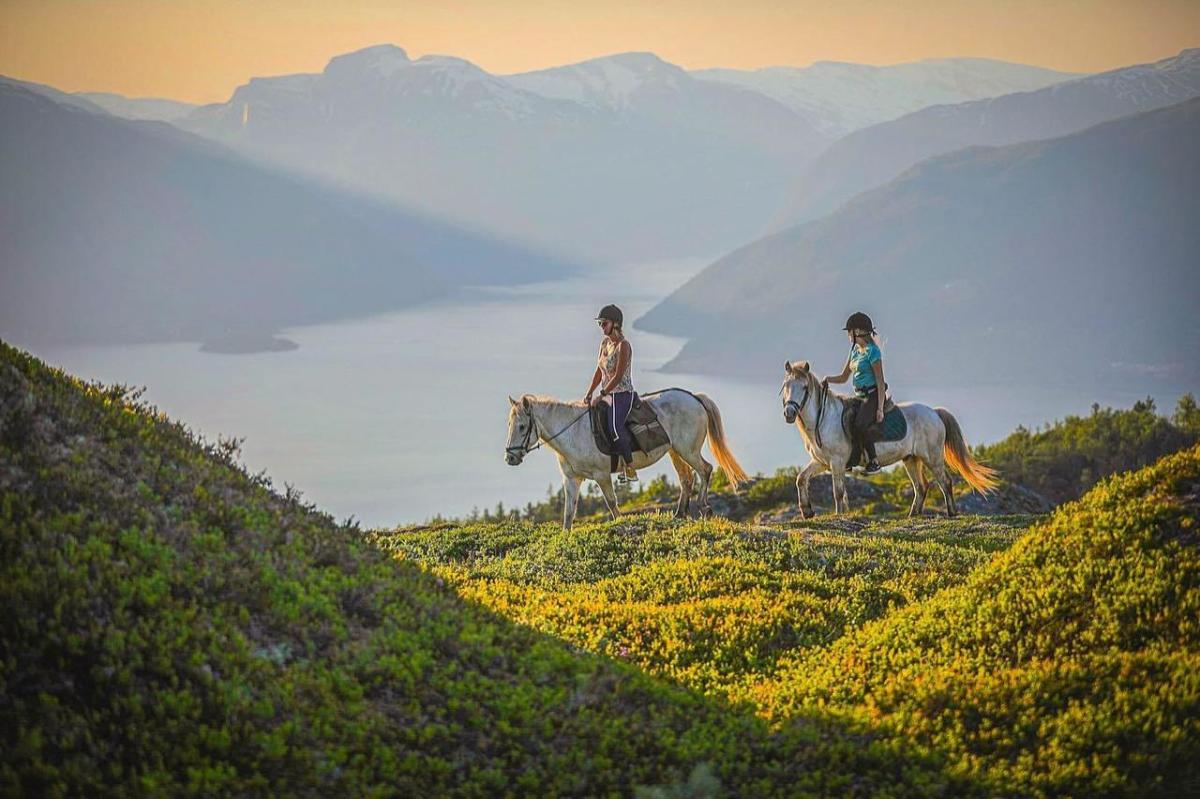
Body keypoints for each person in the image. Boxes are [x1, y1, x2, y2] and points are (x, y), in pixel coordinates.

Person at [822, 312, 885, 474]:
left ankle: (874, 460)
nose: (848, 335)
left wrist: (879, 408)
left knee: (859, 424)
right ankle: (850, 459)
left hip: (871, 395)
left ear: (857, 331)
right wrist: (827, 380)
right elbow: (843, 377)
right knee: (844, 419)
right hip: (858, 396)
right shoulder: (855, 351)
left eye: (849, 331)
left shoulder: (873, 352)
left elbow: (879, 381)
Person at [583, 304, 638, 483]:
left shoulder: (624, 346)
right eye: (600, 323)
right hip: (607, 393)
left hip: (622, 394)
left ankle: (630, 468)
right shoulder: (605, 343)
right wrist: (590, 392)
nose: (601, 327)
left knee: (615, 427)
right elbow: (600, 371)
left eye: (604, 323)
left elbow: (618, 375)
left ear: (615, 324)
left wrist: (602, 393)